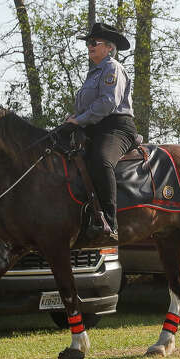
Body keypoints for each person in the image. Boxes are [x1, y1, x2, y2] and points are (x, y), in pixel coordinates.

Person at [63, 22, 137, 245]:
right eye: (88, 43)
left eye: (93, 42)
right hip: (93, 127)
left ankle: (109, 223)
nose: (89, 46)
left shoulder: (112, 68)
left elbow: (108, 103)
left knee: (101, 160)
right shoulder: (93, 72)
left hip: (116, 127)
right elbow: (87, 107)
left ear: (109, 48)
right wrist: (72, 120)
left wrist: (79, 120)